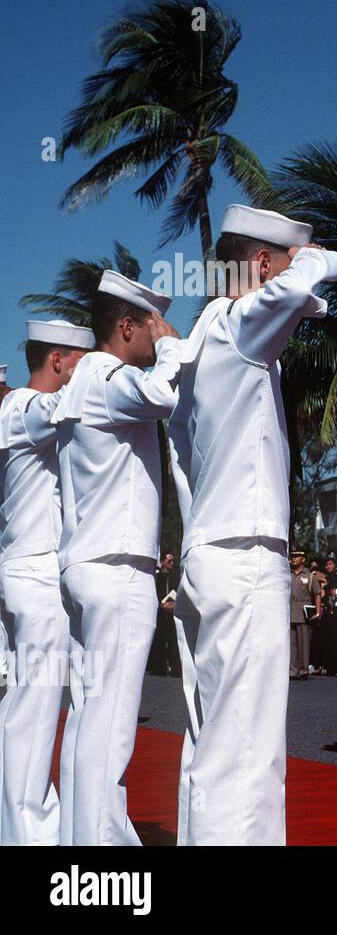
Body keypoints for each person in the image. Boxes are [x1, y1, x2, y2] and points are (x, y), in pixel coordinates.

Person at [168, 204, 337, 845]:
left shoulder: (194, 348)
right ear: (265, 264)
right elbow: (311, 282)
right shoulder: (235, 328)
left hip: (207, 553)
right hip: (243, 555)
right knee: (246, 753)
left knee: (210, 743)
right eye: (284, 260)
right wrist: (314, 261)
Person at [53, 270, 182, 845]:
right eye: (150, 325)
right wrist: (176, 347)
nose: (157, 336)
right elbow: (164, 395)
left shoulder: (80, 380)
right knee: (108, 725)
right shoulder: (107, 375)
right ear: (125, 325)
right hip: (118, 565)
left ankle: (77, 842)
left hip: (86, 563)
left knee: (87, 719)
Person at [0, 320, 92, 845]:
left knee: (24, 704)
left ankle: (20, 824)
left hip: (24, 570)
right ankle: (27, 833)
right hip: (36, 574)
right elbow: (74, 408)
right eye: (81, 362)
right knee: (32, 712)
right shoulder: (30, 408)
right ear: (58, 362)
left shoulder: (15, 409)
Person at [289, 550, 319, 681]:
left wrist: (318, 612)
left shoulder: (310, 576)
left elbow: (317, 593)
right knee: (291, 644)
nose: (293, 559)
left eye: (297, 557)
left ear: (303, 559)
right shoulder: (287, 574)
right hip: (289, 611)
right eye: (292, 557)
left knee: (304, 643)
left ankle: (303, 670)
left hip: (303, 612)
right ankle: (292, 670)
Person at [150, 552, 180, 677]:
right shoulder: (156, 577)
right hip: (159, 612)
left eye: (173, 561)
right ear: (162, 561)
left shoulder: (175, 577)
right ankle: (158, 668)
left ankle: (176, 669)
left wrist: (174, 604)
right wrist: (160, 604)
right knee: (159, 639)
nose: (172, 563)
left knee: (174, 640)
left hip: (172, 611)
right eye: (169, 561)